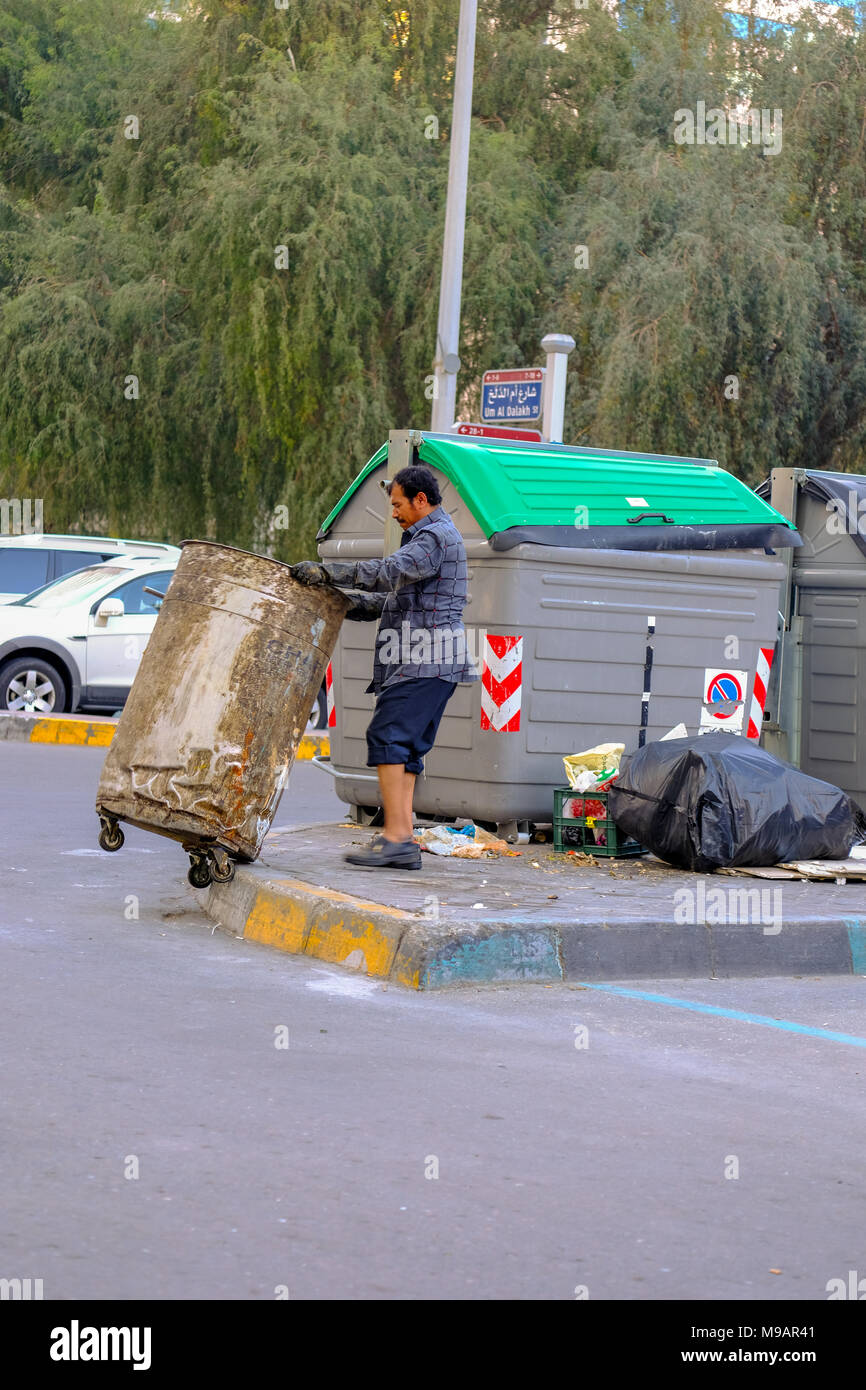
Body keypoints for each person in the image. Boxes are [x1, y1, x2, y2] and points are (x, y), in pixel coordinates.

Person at [291, 463, 478, 869]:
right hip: (433, 661)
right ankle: (402, 835)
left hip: (425, 660)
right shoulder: (437, 538)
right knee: (406, 746)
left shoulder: (433, 538)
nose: (393, 512)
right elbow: (399, 598)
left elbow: (386, 572)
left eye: (397, 505)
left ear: (421, 500)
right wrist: (346, 602)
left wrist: (328, 572)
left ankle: (396, 838)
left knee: (388, 735)